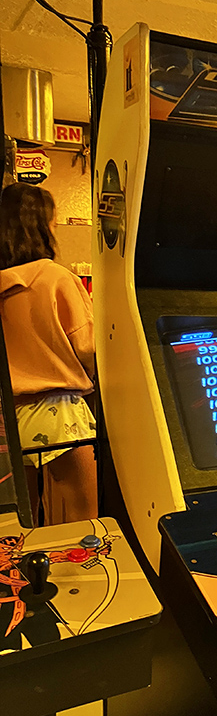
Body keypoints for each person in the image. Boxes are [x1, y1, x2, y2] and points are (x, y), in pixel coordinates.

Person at [0, 182, 97, 524]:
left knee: (21, 521)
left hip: (7, 419)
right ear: (43, 225)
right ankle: (78, 577)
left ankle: (28, 577)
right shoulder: (54, 277)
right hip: (57, 416)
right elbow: (88, 347)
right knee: (83, 517)